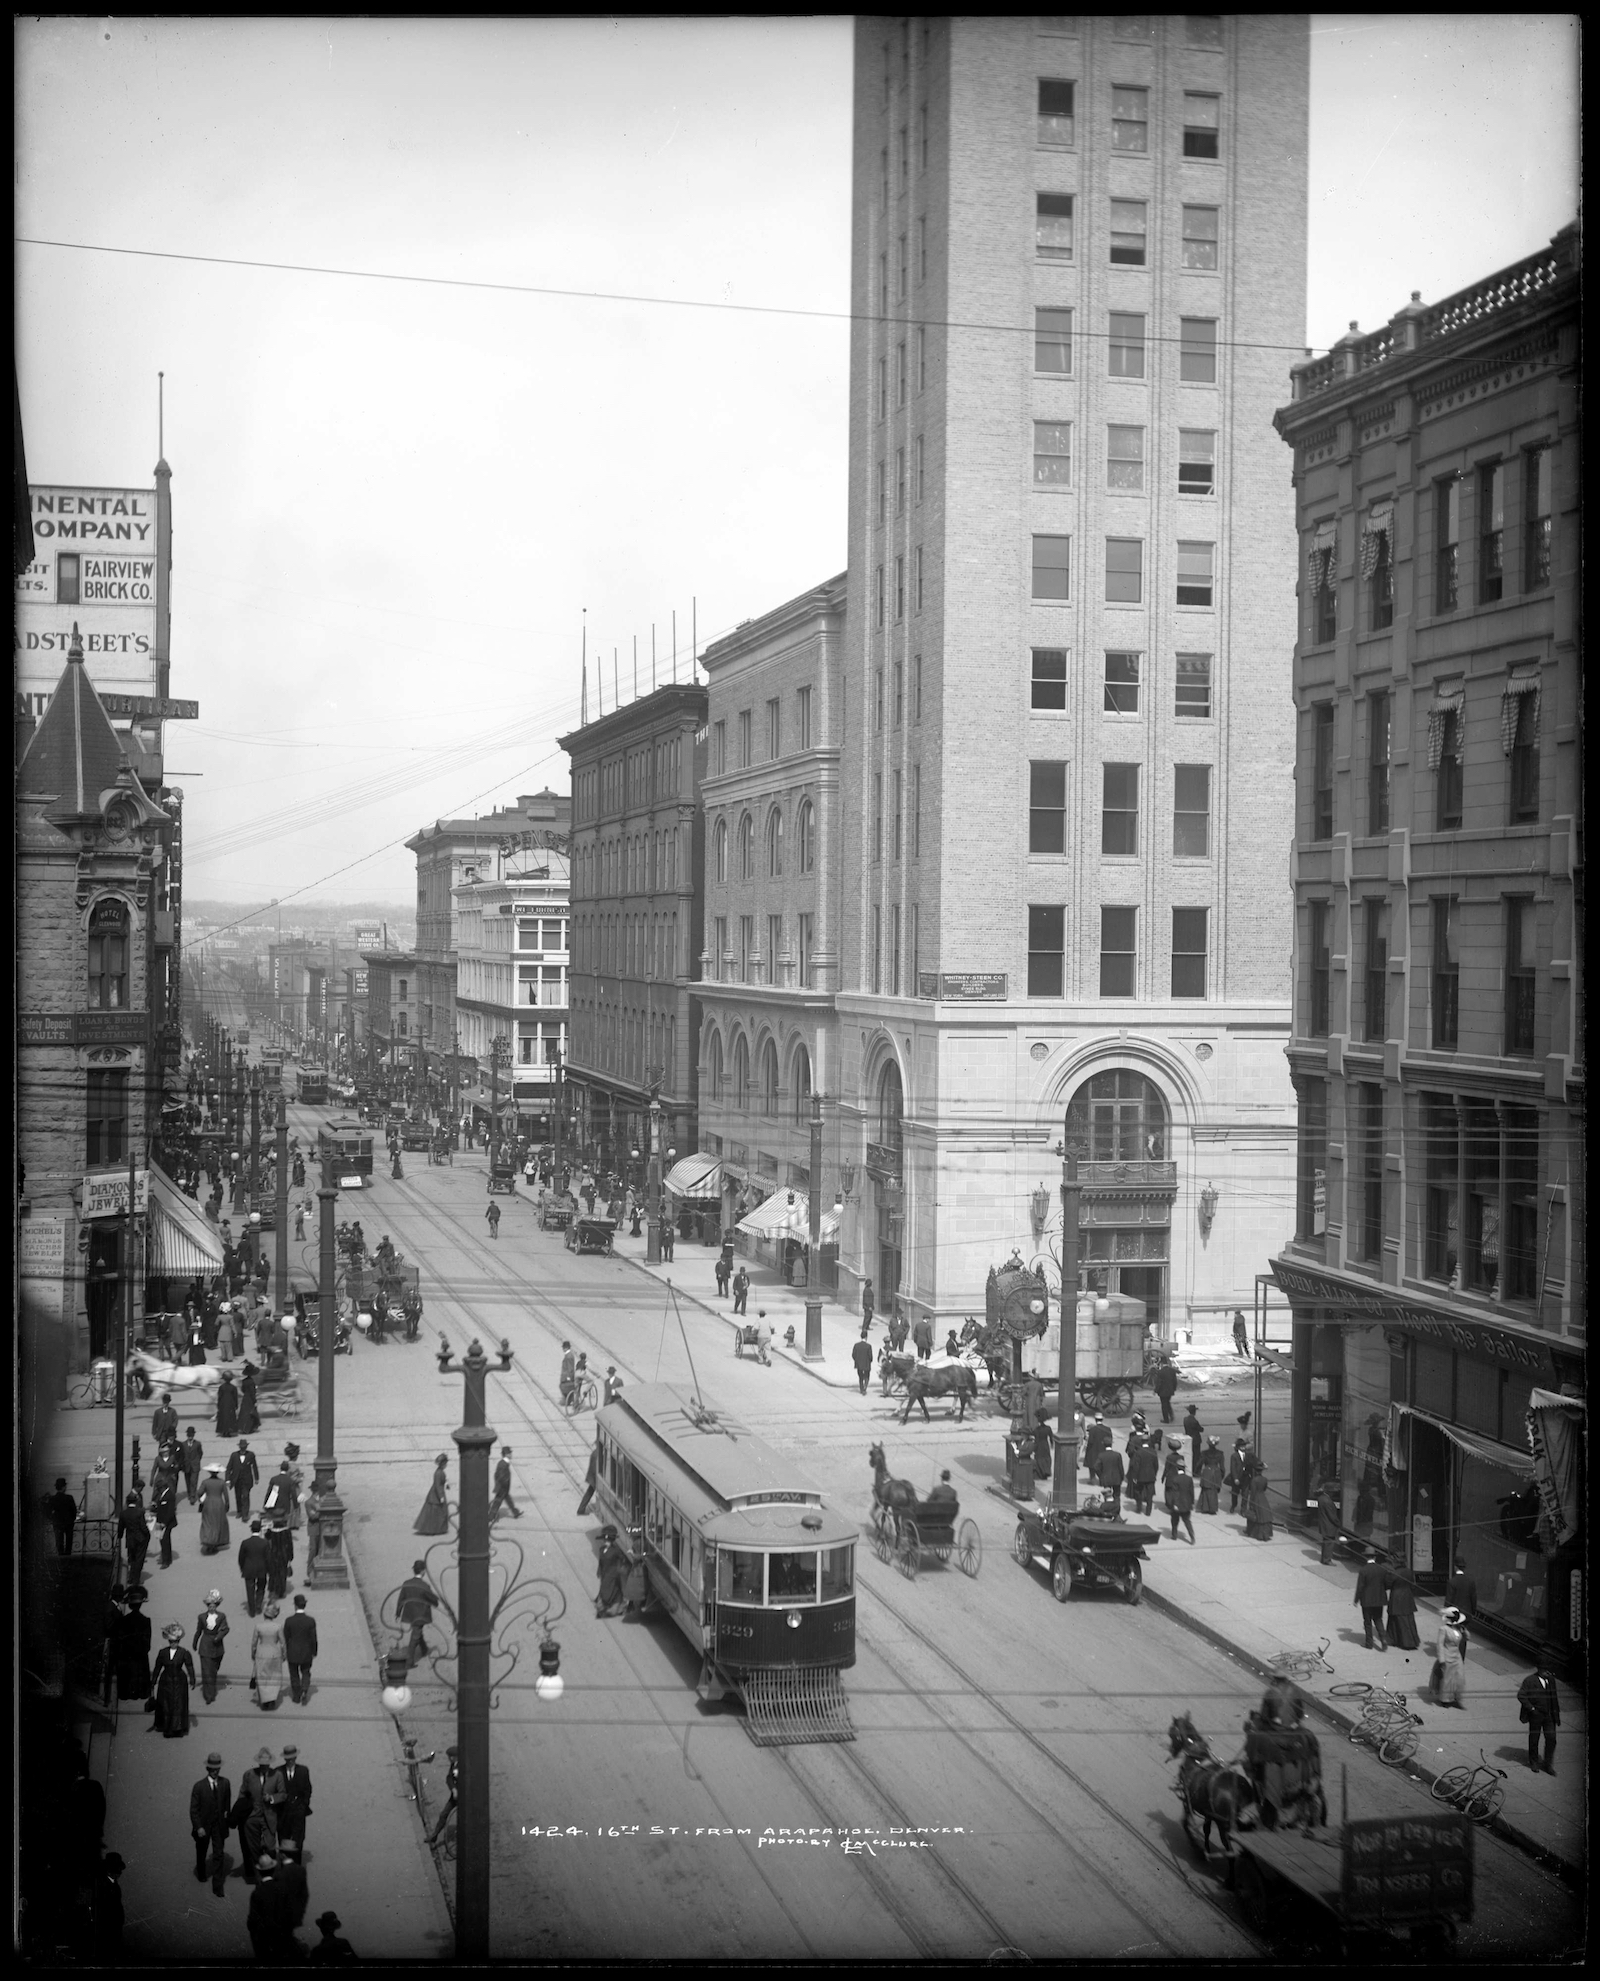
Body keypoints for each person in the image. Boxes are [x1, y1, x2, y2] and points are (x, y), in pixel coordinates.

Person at [190, 1751, 232, 1896]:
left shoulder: (225, 1783)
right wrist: (198, 1827)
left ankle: (218, 1886)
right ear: (207, 1769)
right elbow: (194, 1810)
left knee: (218, 1854)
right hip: (203, 1827)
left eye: (217, 1769)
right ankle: (202, 1873)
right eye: (212, 1769)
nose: (215, 1771)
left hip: (218, 1826)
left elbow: (227, 1804)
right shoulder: (199, 1786)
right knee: (202, 1852)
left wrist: (226, 1818)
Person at [1517, 1650, 1561, 1775]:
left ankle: (1548, 1764)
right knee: (1534, 1739)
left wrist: (1556, 1715)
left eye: (1549, 1671)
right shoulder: (1530, 1680)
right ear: (1540, 1669)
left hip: (1549, 1716)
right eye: (1546, 1670)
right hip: (1536, 1715)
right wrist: (1531, 1709)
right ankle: (1534, 1762)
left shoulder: (1551, 1680)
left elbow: (1554, 1698)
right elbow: (1521, 1695)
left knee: (1551, 1739)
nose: (1549, 1673)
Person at [150, 1622, 196, 1736]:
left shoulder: (184, 1653)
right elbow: (157, 1667)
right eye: (171, 1642)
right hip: (166, 1681)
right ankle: (167, 1728)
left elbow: (189, 1667)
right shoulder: (163, 1652)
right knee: (165, 1705)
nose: (173, 1644)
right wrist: (153, 1681)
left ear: (178, 1641)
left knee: (178, 1705)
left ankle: (177, 1729)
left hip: (180, 1682)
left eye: (175, 1642)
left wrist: (192, 1680)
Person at [115, 1585, 153, 1702]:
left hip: (127, 1656)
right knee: (139, 1674)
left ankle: (127, 1693)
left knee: (127, 1675)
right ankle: (140, 1692)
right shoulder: (146, 1620)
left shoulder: (123, 1620)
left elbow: (120, 1639)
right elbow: (147, 1643)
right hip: (140, 1656)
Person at [398, 1561, 438, 1668]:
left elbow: (401, 1599)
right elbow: (433, 1600)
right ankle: (409, 1661)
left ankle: (424, 1649)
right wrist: (435, 1602)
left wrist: (398, 1613)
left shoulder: (406, 1583)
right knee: (415, 1636)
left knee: (418, 1631)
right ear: (423, 1571)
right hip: (421, 1615)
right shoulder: (424, 1586)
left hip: (410, 1614)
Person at [194, 1590, 230, 1702]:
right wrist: (195, 1642)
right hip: (205, 1645)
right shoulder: (201, 1617)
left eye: (214, 1606)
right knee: (206, 1671)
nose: (212, 1608)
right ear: (207, 1606)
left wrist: (218, 1637)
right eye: (210, 1606)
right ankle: (209, 1695)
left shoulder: (221, 1616)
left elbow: (225, 1629)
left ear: (216, 1606)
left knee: (213, 1670)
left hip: (217, 1646)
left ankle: (210, 1690)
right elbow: (198, 1630)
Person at [1431, 1607, 1469, 1707]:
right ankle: (1445, 1700)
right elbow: (1440, 1644)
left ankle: (1456, 1697)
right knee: (1447, 1680)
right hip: (1447, 1657)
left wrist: (1464, 1630)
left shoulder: (1458, 1629)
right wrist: (1441, 1659)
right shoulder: (1443, 1629)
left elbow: (1467, 1638)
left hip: (1457, 1656)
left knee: (1459, 1677)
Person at [252, 1602, 287, 1709]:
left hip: (261, 1653)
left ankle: (264, 1699)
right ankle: (272, 1698)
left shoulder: (258, 1626)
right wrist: (284, 1653)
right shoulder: (278, 1626)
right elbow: (283, 1642)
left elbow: (254, 1642)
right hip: (275, 1653)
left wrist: (253, 1653)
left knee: (262, 1676)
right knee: (274, 1676)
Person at [278, 1744, 313, 1850]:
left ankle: (297, 1861)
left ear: (296, 1757)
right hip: (283, 1812)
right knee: (284, 1838)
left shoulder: (303, 1771)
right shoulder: (278, 1771)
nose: (290, 1760)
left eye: (292, 1758)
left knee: (298, 1839)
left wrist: (303, 1805)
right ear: (284, 1758)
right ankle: (285, 1860)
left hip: (298, 1811)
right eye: (287, 1758)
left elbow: (307, 1790)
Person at [1354, 1550, 1389, 1650]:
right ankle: (1383, 1639)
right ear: (1375, 1557)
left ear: (1366, 1557)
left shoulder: (1363, 1570)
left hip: (1367, 1600)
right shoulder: (1381, 1569)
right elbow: (1386, 1583)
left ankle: (1369, 1643)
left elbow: (1360, 1587)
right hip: (1379, 1599)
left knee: (1367, 1622)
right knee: (1378, 1619)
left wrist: (1356, 1600)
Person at [1384, 1561, 1421, 1651]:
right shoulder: (1409, 1571)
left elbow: (1387, 1584)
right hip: (1407, 1597)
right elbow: (1413, 1585)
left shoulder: (1394, 1573)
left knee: (1398, 1620)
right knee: (1409, 1619)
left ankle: (1400, 1641)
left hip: (1396, 1597)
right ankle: (1412, 1641)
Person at [117, 1491, 152, 1588]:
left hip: (130, 1539)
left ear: (127, 1502)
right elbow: (143, 1526)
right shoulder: (139, 1512)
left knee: (132, 1558)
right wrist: (147, 1535)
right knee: (139, 1559)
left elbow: (120, 1528)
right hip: (140, 1538)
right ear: (136, 1501)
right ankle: (136, 1580)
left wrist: (120, 1536)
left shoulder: (123, 1513)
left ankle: (131, 1577)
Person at [596, 1527, 631, 1618]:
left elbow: (622, 1559)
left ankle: (616, 1607)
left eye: (608, 1540)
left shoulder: (616, 1551)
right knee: (604, 1588)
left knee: (613, 1590)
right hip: (605, 1572)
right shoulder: (601, 1549)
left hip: (613, 1573)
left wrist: (620, 1569)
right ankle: (604, 1604)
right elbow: (601, 1561)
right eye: (605, 1540)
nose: (606, 1542)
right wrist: (599, 1570)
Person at [239, 1519, 271, 1618]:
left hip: (248, 1569)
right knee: (261, 1587)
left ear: (251, 1530)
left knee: (250, 1589)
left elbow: (241, 1558)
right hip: (262, 1568)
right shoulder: (265, 1542)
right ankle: (258, 1605)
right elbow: (268, 1558)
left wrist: (243, 1568)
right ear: (260, 1530)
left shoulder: (245, 1542)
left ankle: (252, 1610)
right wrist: (269, 1570)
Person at [428, 1749, 460, 1848]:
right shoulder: (454, 1764)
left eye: (450, 1757)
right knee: (443, 1814)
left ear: (454, 1757)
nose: (449, 1759)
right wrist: (454, 1789)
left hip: (465, 1798)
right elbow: (449, 1778)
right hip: (455, 1797)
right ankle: (434, 1836)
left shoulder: (464, 1765)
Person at [414, 1454, 451, 1534]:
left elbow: (442, 1481)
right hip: (436, 1495)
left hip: (438, 1493)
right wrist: (441, 1496)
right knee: (438, 1512)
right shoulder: (438, 1473)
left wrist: (446, 1483)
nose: (446, 1465)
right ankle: (435, 1529)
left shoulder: (440, 1472)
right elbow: (437, 1485)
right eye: (445, 1463)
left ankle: (438, 1528)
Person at [198, 1464, 231, 1554]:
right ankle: (216, 1542)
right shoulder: (222, 1482)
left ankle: (208, 1540)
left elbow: (199, 1492)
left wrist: (201, 1499)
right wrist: (227, 1505)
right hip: (219, 1503)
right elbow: (226, 1496)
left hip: (208, 1503)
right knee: (218, 1523)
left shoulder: (205, 1482)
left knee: (208, 1522)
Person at [1127, 1430, 1159, 1518]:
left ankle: (1139, 1508)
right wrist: (1154, 1474)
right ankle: (1148, 1511)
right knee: (1149, 1494)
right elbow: (1156, 1465)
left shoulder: (1138, 1452)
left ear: (1141, 1441)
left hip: (1140, 1476)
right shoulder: (1153, 1452)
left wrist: (1134, 1476)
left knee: (1138, 1492)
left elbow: (1136, 1466)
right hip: (1151, 1476)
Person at [152, 1469, 180, 1570]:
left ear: (163, 1487)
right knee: (163, 1540)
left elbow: (170, 1511)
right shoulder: (163, 1495)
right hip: (162, 1521)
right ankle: (166, 1558)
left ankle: (166, 1561)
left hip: (166, 1523)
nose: (158, 1490)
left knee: (165, 1541)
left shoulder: (169, 1496)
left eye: (159, 1488)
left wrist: (164, 1522)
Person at [226, 1439, 260, 1520]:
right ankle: (239, 1511)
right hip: (236, 1479)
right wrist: (227, 1480)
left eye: (244, 1447)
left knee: (245, 1496)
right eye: (242, 1447)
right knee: (238, 1496)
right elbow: (229, 1468)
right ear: (239, 1447)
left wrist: (256, 1478)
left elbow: (254, 1466)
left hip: (247, 1480)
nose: (243, 1448)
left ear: (246, 1447)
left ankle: (245, 1514)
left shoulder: (251, 1455)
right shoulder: (234, 1455)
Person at [1167, 1455, 1196, 1544]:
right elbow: (1191, 1492)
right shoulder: (1189, 1479)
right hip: (1187, 1504)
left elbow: (1175, 1493)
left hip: (1178, 1504)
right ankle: (1192, 1537)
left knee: (1174, 1521)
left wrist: (1175, 1504)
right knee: (1187, 1521)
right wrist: (1192, 1503)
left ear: (1177, 1468)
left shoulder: (1175, 1479)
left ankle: (1174, 1535)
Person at [1244, 1460, 1275, 1543]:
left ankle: (1252, 1532)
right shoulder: (1264, 1479)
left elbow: (1253, 1492)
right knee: (1264, 1515)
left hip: (1256, 1498)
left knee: (1255, 1513)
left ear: (1255, 1470)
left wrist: (1251, 1503)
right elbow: (1264, 1489)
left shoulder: (1254, 1480)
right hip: (1263, 1498)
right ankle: (1266, 1534)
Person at [45, 1477, 77, 1556]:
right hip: (68, 1523)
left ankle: (61, 1558)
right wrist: (72, 1519)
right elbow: (74, 1511)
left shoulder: (52, 1499)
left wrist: (52, 1519)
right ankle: (68, 1558)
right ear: (63, 1487)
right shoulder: (69, 1498)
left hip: (57, 1523)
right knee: (69, 1542)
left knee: (59, 1542)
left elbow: (47, 1512)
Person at [265, 1512, 293, 1602]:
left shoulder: (270, 1531)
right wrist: (290, 1557)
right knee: (282, 1573)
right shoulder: (287, 1531)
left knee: (273, 1573)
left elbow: (266, 1539)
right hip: (283, 1555)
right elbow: (290, 1545)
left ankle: (273, 1590)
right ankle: (281, 1591)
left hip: (273, 1554)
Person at [489, 1446, 522, 1523]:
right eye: (510, 1453)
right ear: (507, 1454)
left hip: (504, 1487)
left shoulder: (504, 1463)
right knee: (497, 1502)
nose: (511, 1454)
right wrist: (503, 1484)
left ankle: (515, 1512)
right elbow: (500, 1476)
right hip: (502, 1487)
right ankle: (490, 1517)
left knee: (508, 1500)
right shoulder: (503, 1464)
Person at [1095, 1440, 1125, 1514]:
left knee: (1107, 1495)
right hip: (1116, 1478)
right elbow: (1120, 1467)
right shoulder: (1117, 1455)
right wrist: (1122, 1477)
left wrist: (1101, 1475)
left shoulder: (1101, 1455)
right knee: (1117, 1495)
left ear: (1104, 1445)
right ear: (1111, 1445)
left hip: (1106, 1478)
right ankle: (1117, 1510)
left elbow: (1096, 1467)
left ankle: (1108, 1510)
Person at [1197, 1438, 1225, 1516]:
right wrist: (1221, 1475)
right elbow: (1222, 1467)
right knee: (1214, 1490)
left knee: (1206, 1489)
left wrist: (1197, 1472)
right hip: (1216, 1471)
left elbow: (1199, 1463)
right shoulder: (1220, 1453)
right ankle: (1213, 1508)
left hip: (1207, 1471)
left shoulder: (1204, 1453)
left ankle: (1205, 1507)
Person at [1316, 1480, 1342, 1564]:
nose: (1333, 1493)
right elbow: (1332, 1516)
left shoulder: (1321, 1498)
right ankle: (1327, 1560)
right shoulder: (1327, 1501)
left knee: (1325, 1543)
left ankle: (1324, 1558)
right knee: (1329, 1544)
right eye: (1332, 1492)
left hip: (1324, 1524)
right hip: (1329, 1526)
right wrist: (1339, 1524)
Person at [1226, 1437, 1253, 1516]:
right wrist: (1235, 1478)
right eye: (1241, 1446)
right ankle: (1233, 1505)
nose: (1243, 1447)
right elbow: (1233, 1468)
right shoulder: (1234, 1456)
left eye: (1244, 1446)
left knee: (1245, 1494)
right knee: (1235, 1493)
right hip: (1237, 1477)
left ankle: (1243, 1509)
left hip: (1246, 1477)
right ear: (1238, 1447)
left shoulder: (1248, 1455)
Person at [179, 1427, 204, 1505]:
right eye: (189, 1435)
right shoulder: (183, 1444)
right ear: (187, 1435)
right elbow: (182, 1455)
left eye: (191, 1435)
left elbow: (200, 1453)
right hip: (186, 1465)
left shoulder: (197, 1444)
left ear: (193, 1435)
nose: (190, 1437)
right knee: (188, 1481)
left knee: (193, 1481)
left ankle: (193, 1496)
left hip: (195, 1466)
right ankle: (189, 1493)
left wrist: (196, 1461)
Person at [1152, 1357, 1179, 1424]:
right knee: (1168, 1403)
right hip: (1170, 1391)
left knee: (1164, 1405)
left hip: (1162, 1392)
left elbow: (1158, 1383)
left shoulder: (1160, 1372)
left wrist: (1155, 1391)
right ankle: (1171, 1416)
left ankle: (1166, 1420)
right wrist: (1174, 1389)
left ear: (1161, 1363)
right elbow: (1175, 1381)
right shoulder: (1172, 1371)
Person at [1182, 1404, 1206, 1474]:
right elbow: (1201, 1429)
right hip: (1195, 1440)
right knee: (1196, 1456)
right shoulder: (1194, 1421)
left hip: (1188, 1438)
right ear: (1194, 1412)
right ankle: (1195, 1471)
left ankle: (1189, 1468)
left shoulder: (1185, 1419)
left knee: (1189, 1455)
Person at [238, 1366, 261, 1436]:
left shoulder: (244, 1381)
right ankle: (250, 1428)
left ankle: (243, 1427)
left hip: (245, 1397)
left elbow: (243, 1389)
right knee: (251, 1413)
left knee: (244, 1413)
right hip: (250, 1399)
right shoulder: (251, 1382)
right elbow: (252, 1393)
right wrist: (255, 1400)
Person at [559, 1341, 576, 1407]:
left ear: (566, 1348)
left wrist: (568, 1377)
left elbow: (570, 1368)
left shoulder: (569, 1356)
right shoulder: (568, 1355)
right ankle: (569, 1400)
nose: (562, 1349)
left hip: (567, 1376)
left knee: (564, 1387)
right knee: (566, 1388)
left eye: (563, 1348)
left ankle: (569, 1400)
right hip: (566, 1375)